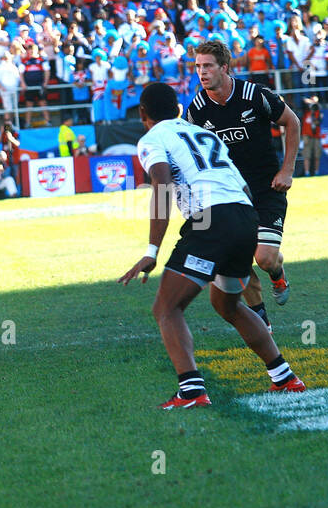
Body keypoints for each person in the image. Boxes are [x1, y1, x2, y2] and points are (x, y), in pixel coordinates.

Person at [119, 82, 305, 408]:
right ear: (179, 109)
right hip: (246, 215)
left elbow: (161, 184)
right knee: (227, 305)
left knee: (166, 307)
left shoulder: (151, 138)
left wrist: (151, 251)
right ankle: (285, 377)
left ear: (143, 113)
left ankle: (191, 391)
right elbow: (240, 183)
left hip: (211, 221)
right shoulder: (205, 135)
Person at [185, 40, 298, 329]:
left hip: (266, 187)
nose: (202, 72)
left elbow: (292, 122)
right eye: (198, 67)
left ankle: (277, 273)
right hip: (229, 194)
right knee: (236, 259)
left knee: (265, 258)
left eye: (208, 66)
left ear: (224, 67)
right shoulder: (196, 110)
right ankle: (262, 323)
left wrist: (287, 170)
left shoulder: (254, 94)